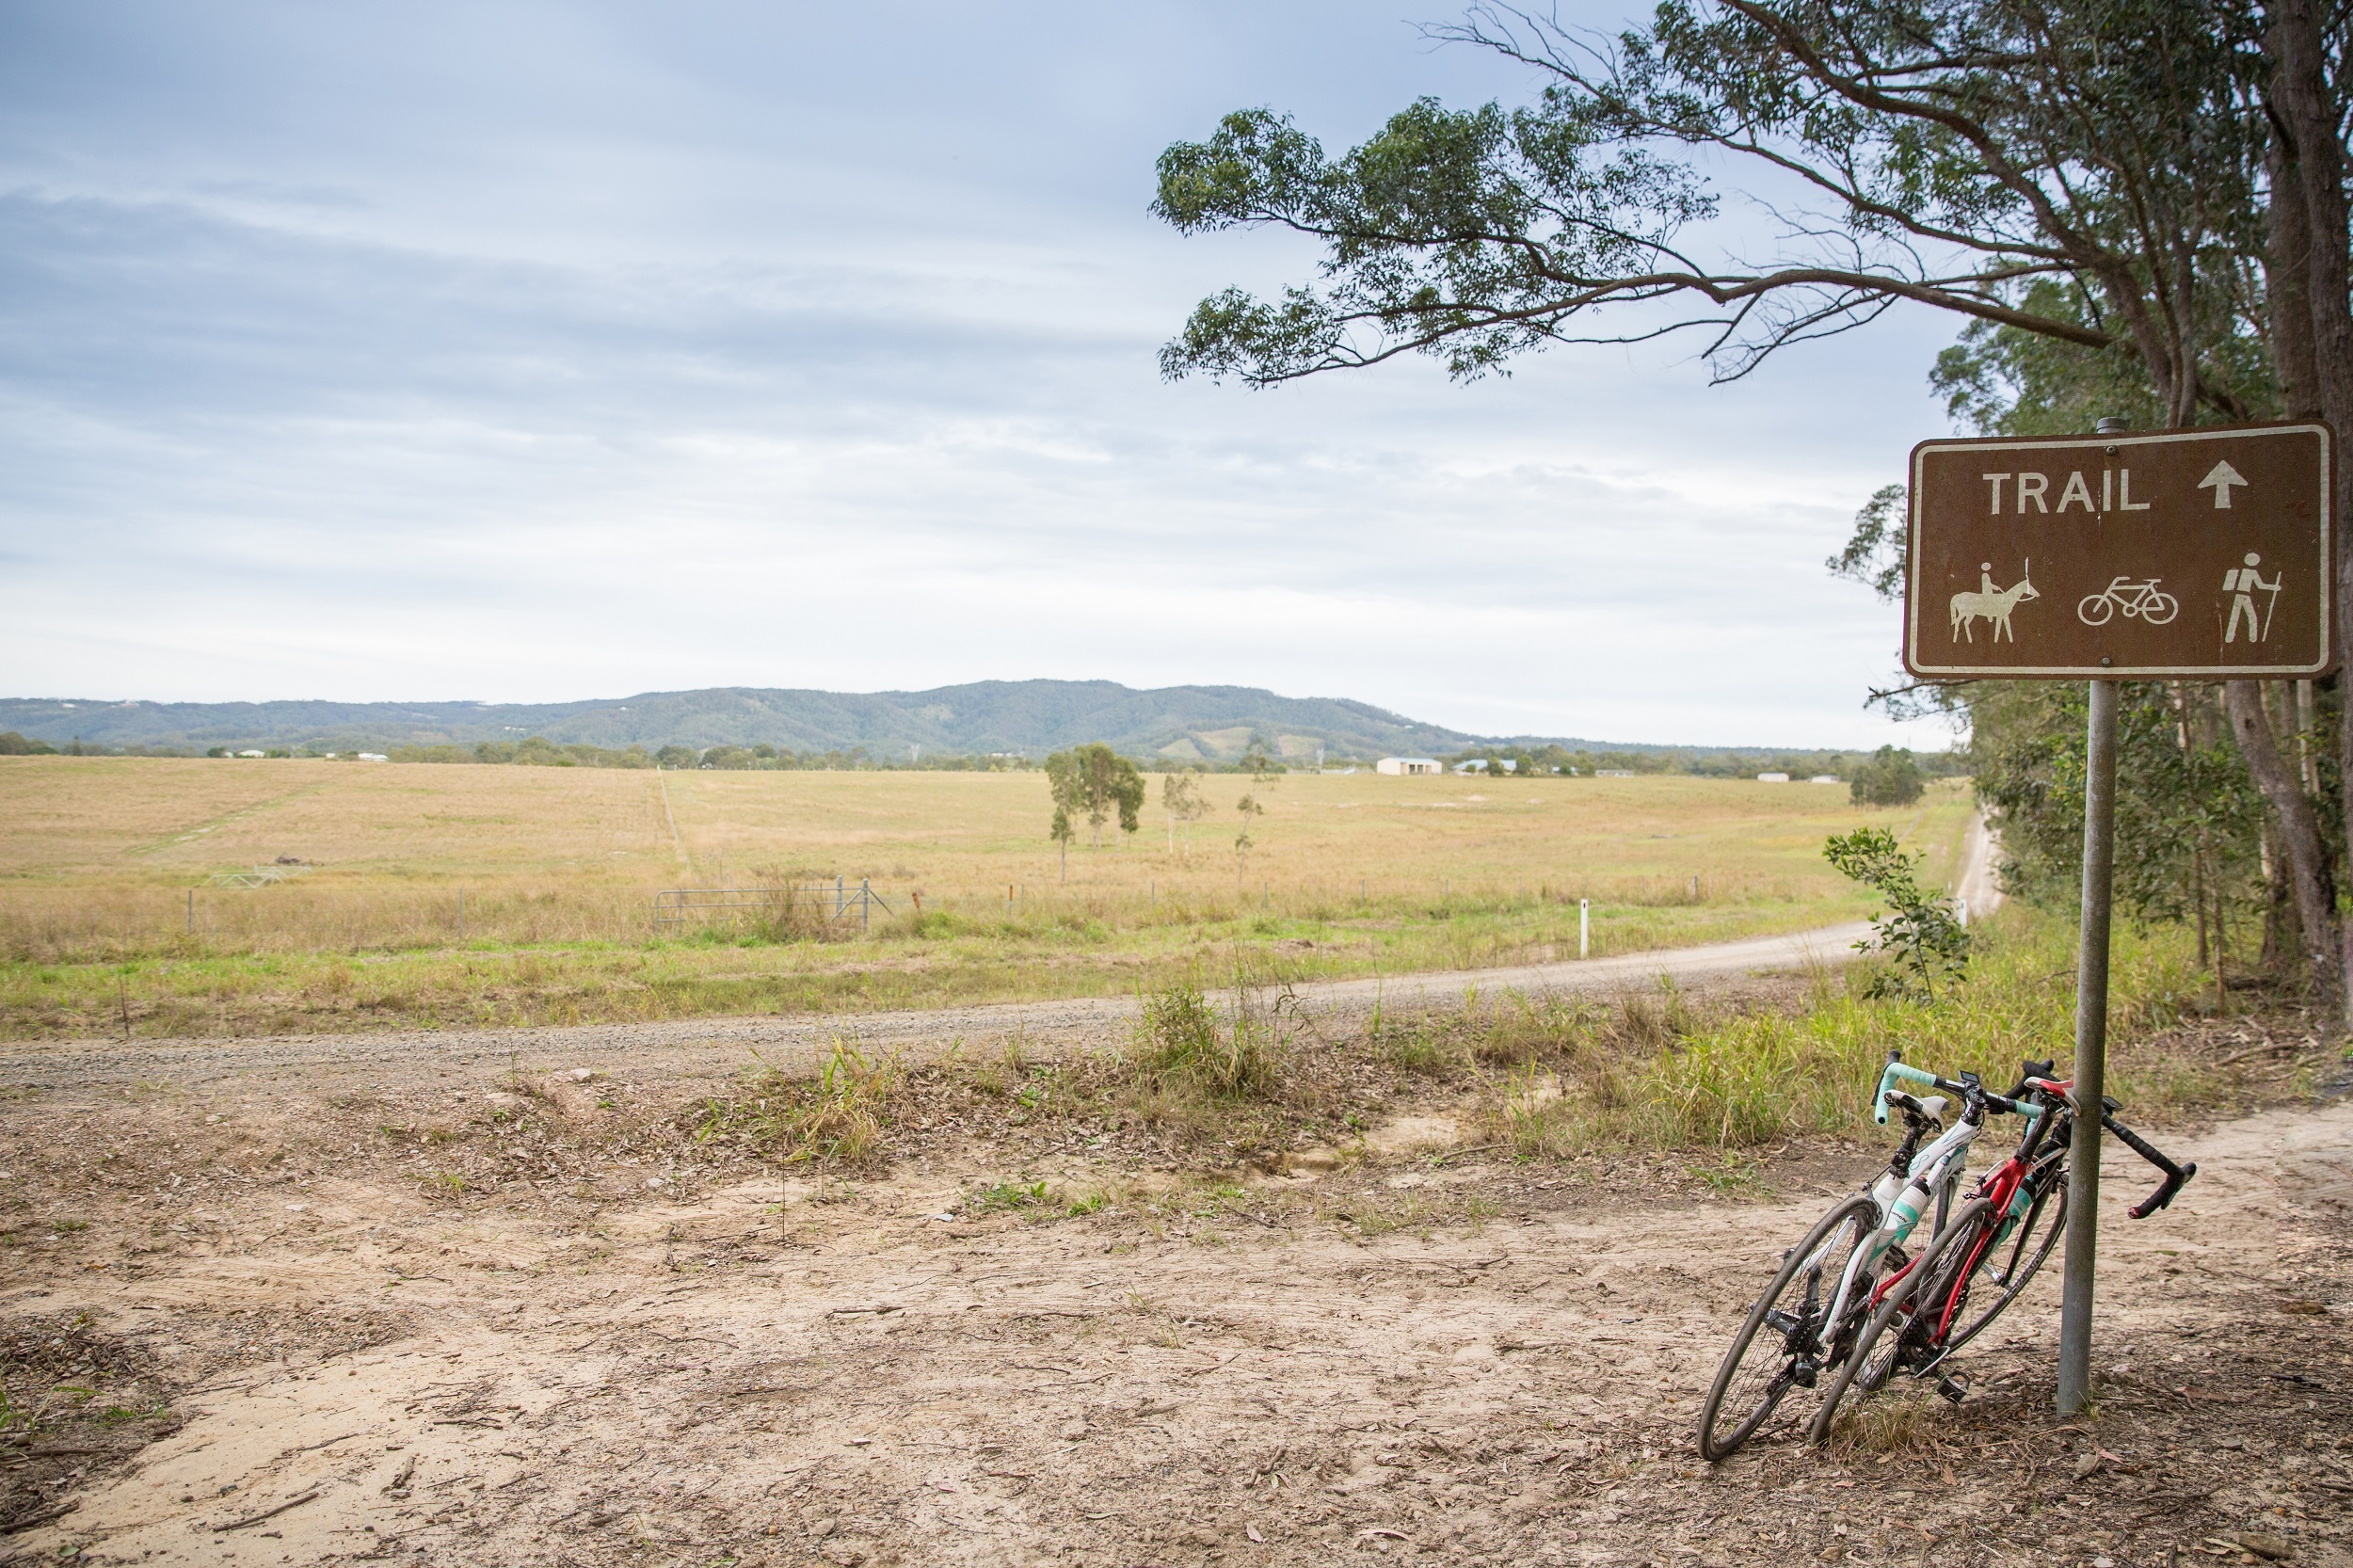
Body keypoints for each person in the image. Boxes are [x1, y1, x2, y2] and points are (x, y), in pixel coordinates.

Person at [2222, 552, 2277, 644]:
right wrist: (2274, 587)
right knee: (2252, 617)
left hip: (2237, 596)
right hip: (2245, 596)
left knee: (2234, 617)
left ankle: (2229, 638)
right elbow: (2260, 585)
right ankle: (2252, 639)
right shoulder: (2252, 572)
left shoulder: (2237, 571)